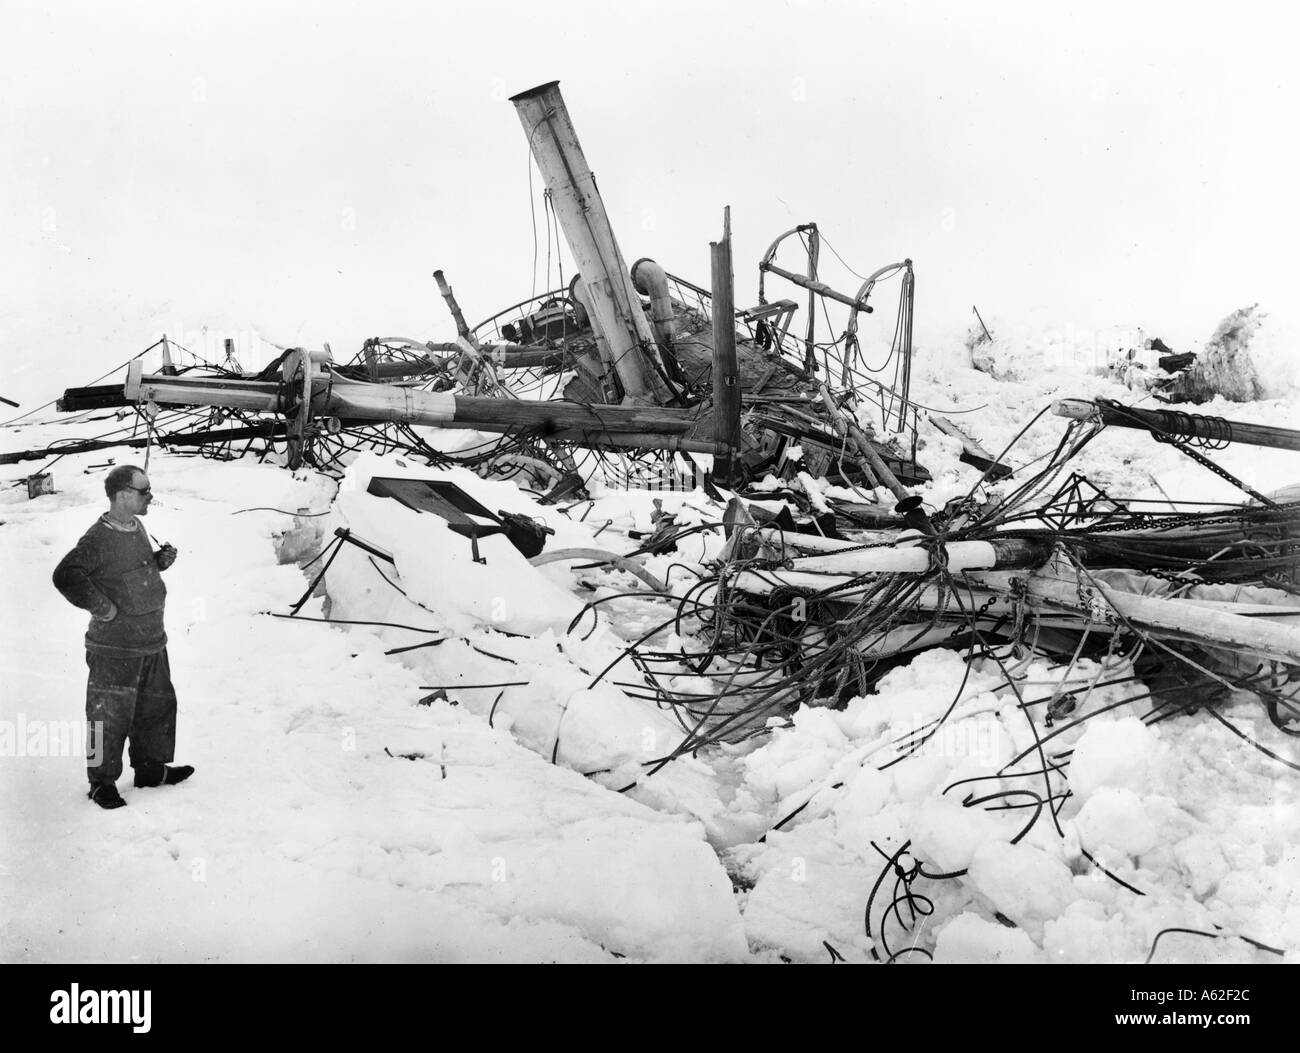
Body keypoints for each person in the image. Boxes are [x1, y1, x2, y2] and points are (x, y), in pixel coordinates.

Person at [53, 465, 193, 809]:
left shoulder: (136, 525)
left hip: (151, 641)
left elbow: (127, 571)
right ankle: (100, 783)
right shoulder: (98, 538)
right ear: (122, 495)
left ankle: (150, 769)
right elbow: (65, 575)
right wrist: (102, 608)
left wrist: (158, 562)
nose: (150, 496)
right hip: (115, 649)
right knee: (107, 717)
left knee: (155, 709)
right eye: (144, 491)